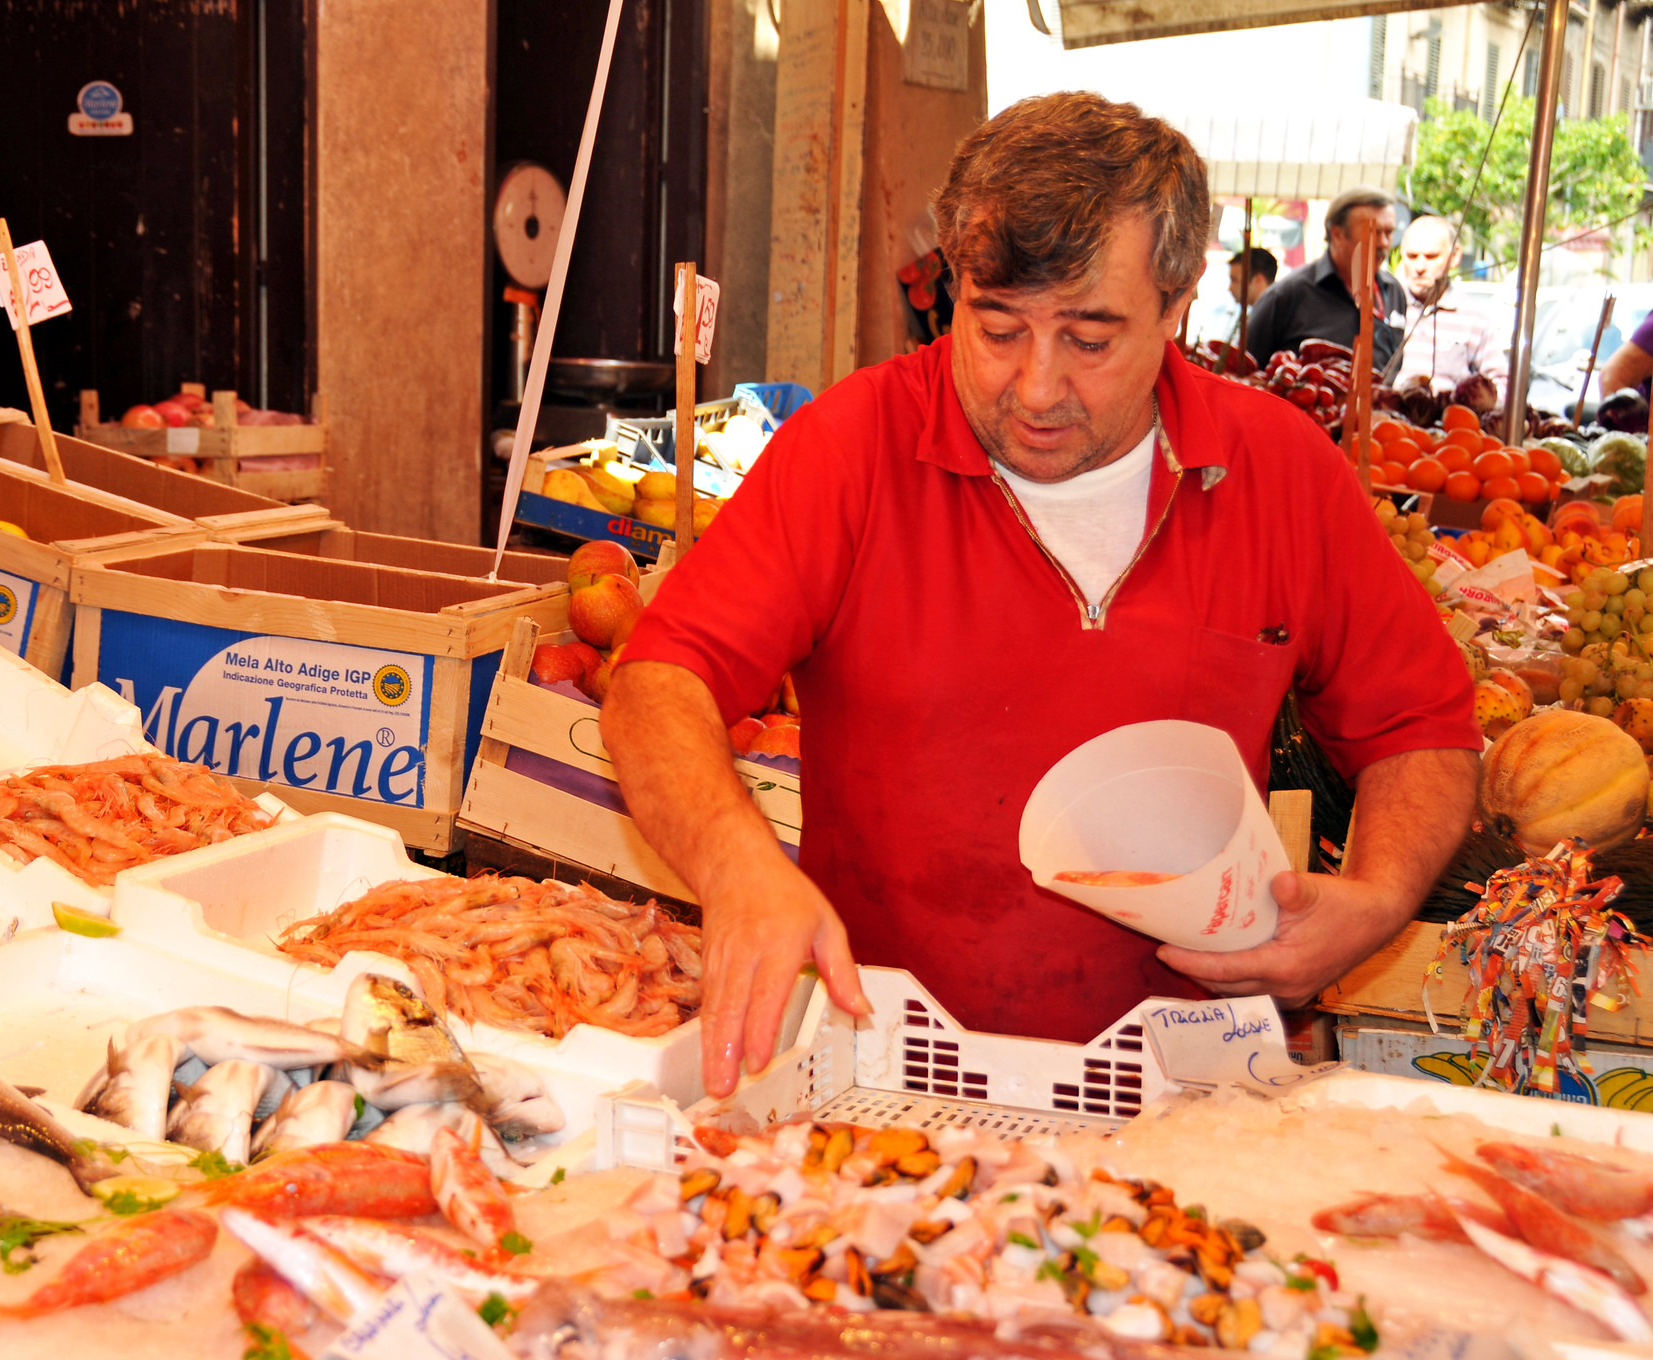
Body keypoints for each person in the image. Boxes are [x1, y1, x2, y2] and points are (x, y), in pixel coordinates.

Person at [599, 93, 1481, 1099]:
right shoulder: (851, 449)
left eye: (1089, 338)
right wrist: (733, 862)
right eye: (997, 327)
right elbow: (657, 681)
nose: (1034, 387)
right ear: (952, 291)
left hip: (1183, 1091)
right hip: (886, 1073)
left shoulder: (1277, 471)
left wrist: (1375, 894)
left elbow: (1421, 723)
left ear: (1175, 303)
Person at [1244, 188, 1406, 369]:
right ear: (1337, 234)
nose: (1383, 243)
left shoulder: (1393, 292)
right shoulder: (1287, 294)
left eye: (1389, 232)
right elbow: (1245, 372)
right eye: (1373, 232)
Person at [1391, 216, 1507, 392]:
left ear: (1455, 256)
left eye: (1431, 257)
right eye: (1412, 256)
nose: (1420, 267)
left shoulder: (1474, 318)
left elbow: (1501, 384)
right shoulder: (1388, 306)